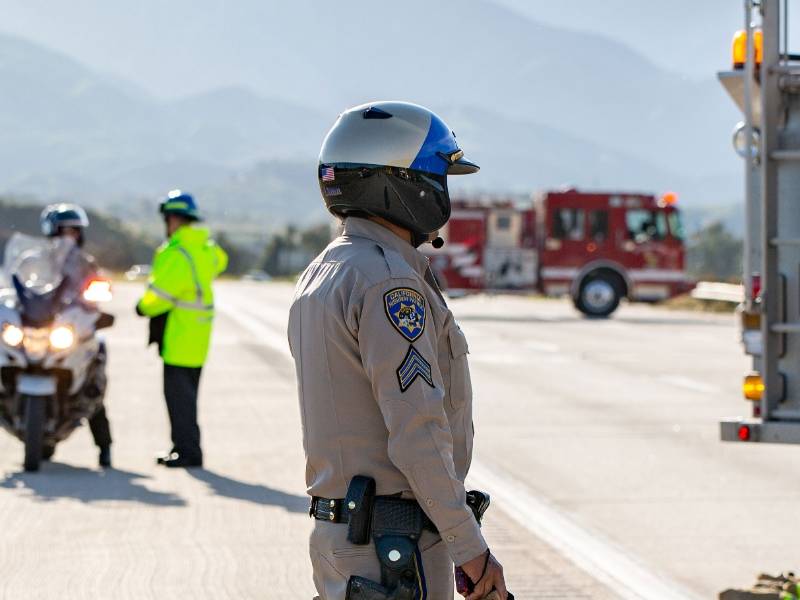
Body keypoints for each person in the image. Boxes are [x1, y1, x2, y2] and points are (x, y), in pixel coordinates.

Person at [288, 102, 508, 600]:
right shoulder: (388, 282)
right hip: (394, 549)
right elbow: (417, 430)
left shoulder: (327, 270)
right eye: (439, 178)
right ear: (406, 184)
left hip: (348, 538)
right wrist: (467, 547)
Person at [135, 190, 227, 468]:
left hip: (179, 335)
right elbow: (221, 261)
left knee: (178, 399)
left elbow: (160, 295)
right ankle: (182, 447)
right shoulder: (204, 248)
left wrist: (141, 307)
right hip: (198, 335)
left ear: (173, 219)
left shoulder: (177, 253)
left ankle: (188, 452)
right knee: (187, 397)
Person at [40, 203, 113, 467]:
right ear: (52, 232)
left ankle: (105, 447)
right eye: (63, 231)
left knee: (93, 384)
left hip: (73, 331)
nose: (68, 237)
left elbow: (97, 292)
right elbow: (19, 287)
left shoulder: (86, 264)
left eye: (73, 231)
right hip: (41, 330)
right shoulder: (37, 261)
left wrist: (94, 305)